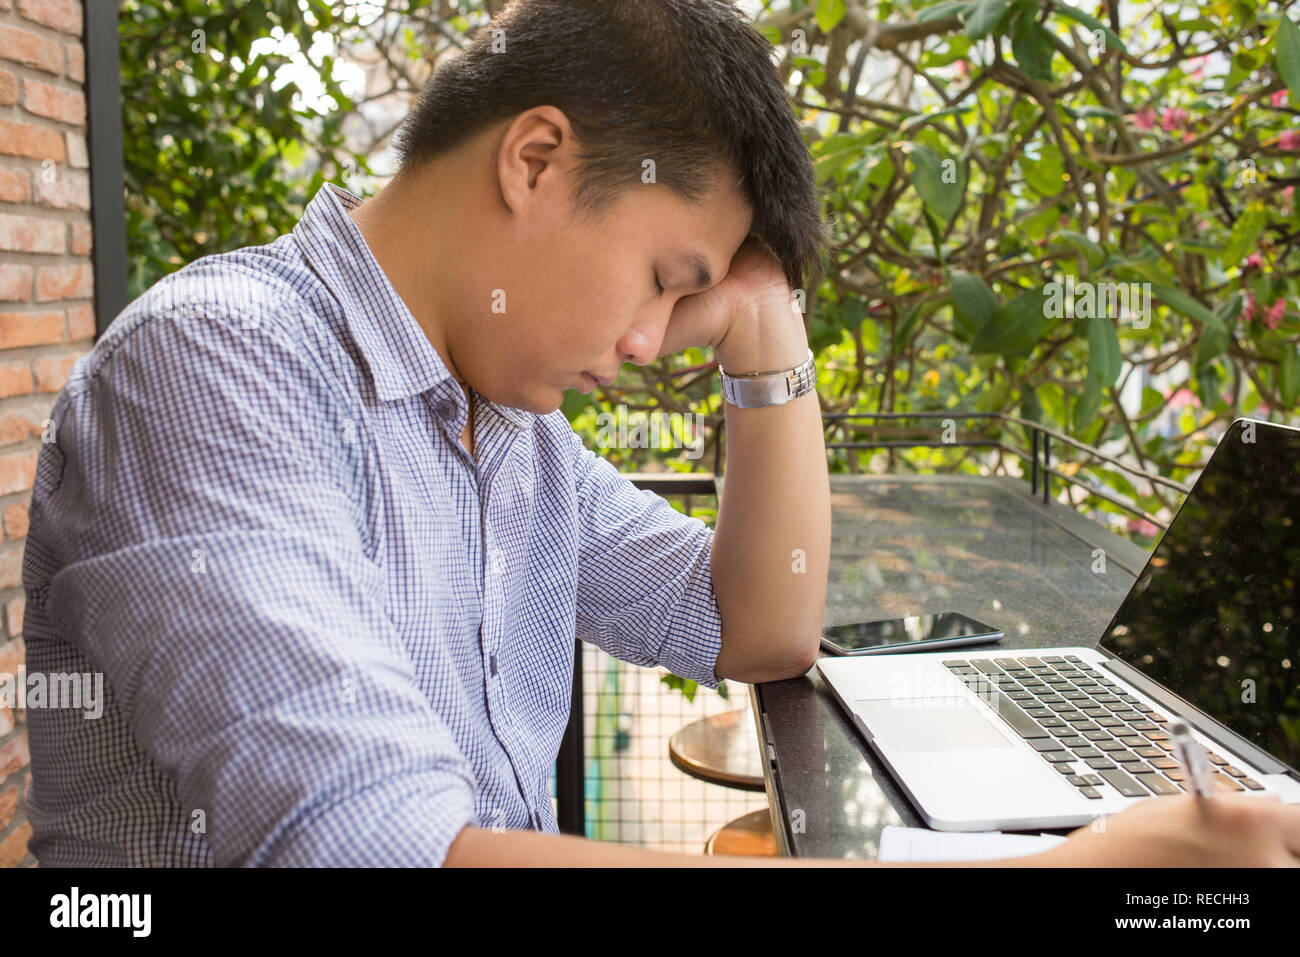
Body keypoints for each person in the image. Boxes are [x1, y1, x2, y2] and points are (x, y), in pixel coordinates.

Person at [20, 0, 1299, 867]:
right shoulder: (220, 367)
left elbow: (759, 625)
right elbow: (379, 846)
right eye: (665, 274)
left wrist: (768, 345)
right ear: (534, 160)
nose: (648, 343)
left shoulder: (504, 427)